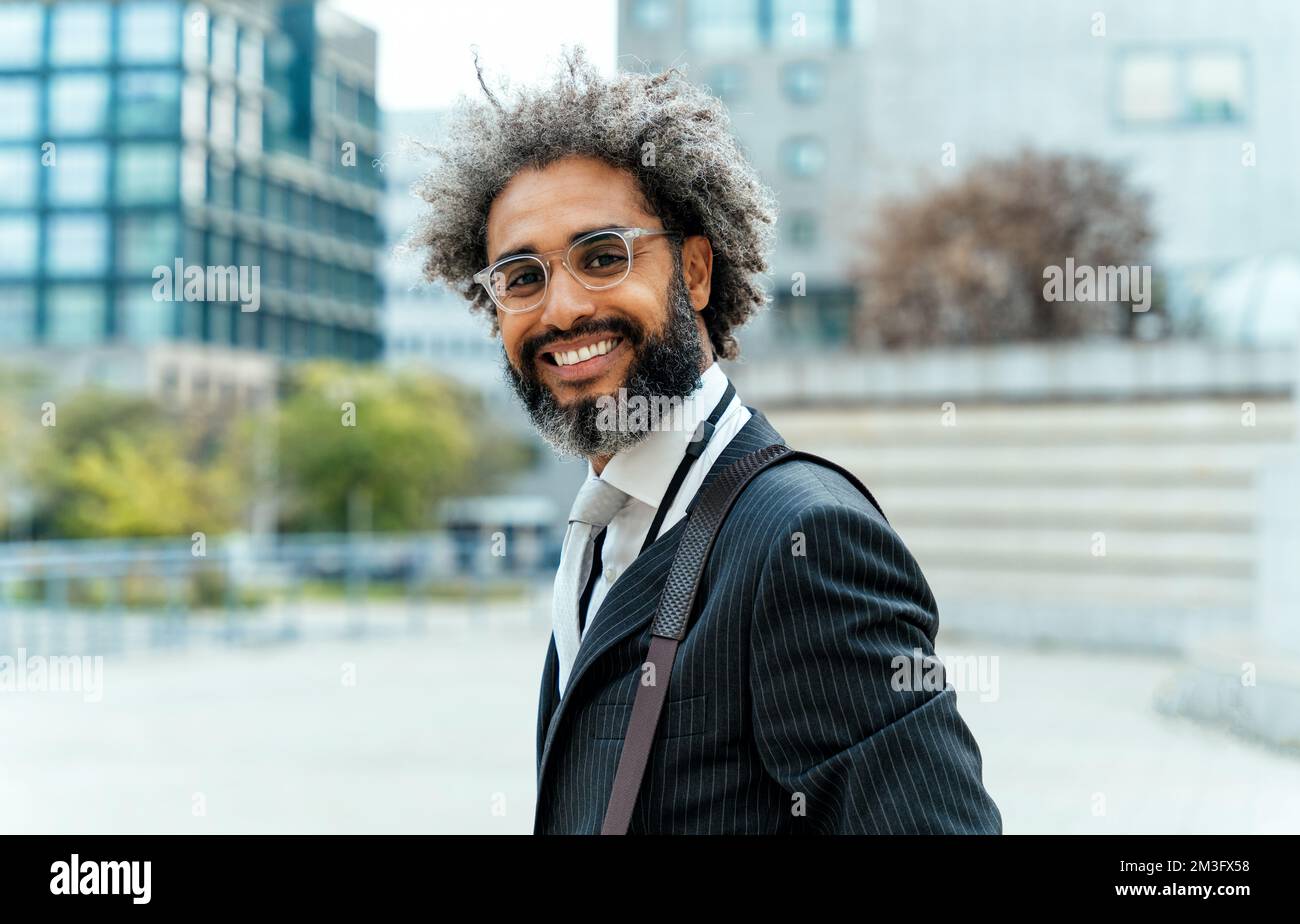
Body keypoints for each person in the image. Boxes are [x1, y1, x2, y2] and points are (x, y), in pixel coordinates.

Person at [414, 47, 1002, 835]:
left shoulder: (804, 539)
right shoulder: (606, 529)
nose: (559, 311)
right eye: (521, 277)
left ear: (693, 271)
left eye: (601, 257)